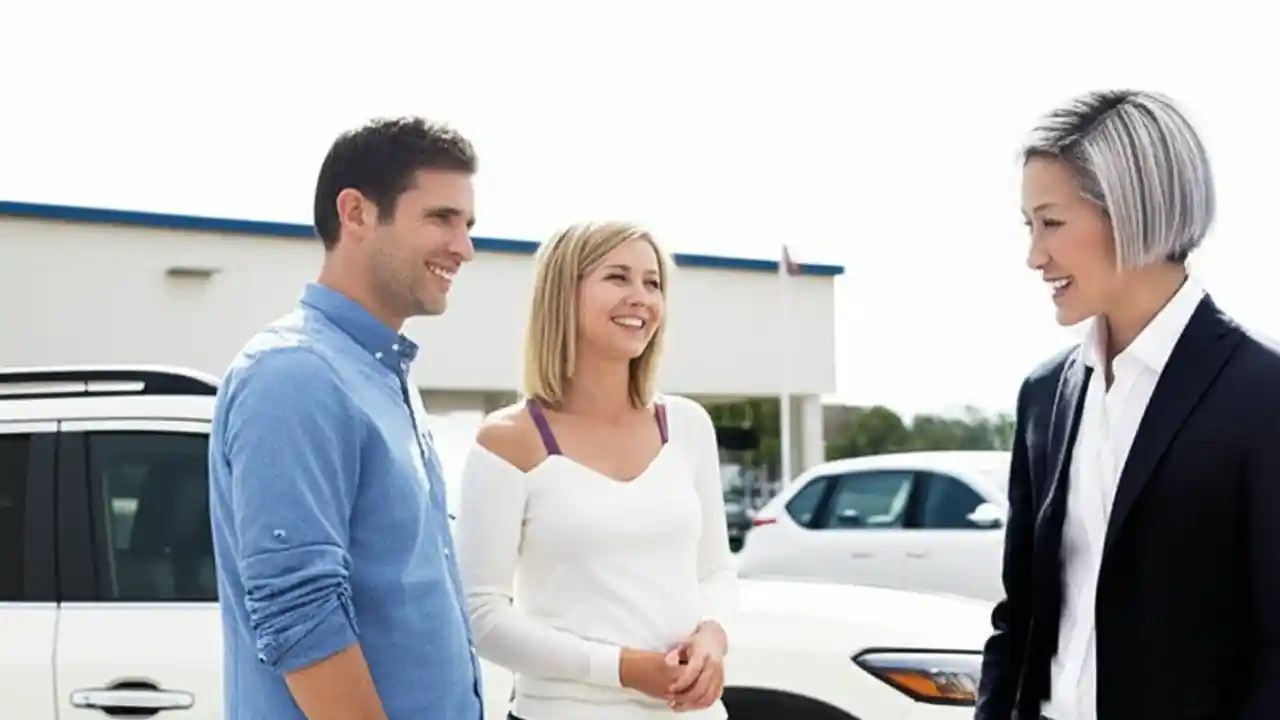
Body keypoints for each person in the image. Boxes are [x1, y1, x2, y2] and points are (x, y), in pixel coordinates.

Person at [975, 89, 1280, 720]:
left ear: (1133, 210)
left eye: (1051, 223)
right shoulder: (1044, 398)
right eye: (1029, 227)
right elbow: (1020, 618)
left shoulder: (1263, 393)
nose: (1035, 256)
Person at [208, 116, 484, 720]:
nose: (463, 247)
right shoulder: (294, 374)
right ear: (355, 213)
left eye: (467, 225)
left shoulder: (381, 376)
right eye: (440, 218)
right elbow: (301, 616)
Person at [455, 221, 738, 720]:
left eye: (652, 283)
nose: (641, 298)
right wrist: (624, 668)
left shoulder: (688, 425)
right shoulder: (508, 441)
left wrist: (713, 638)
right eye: (618, 277)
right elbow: (481, 616)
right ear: (564, 293)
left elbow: (715, 571)